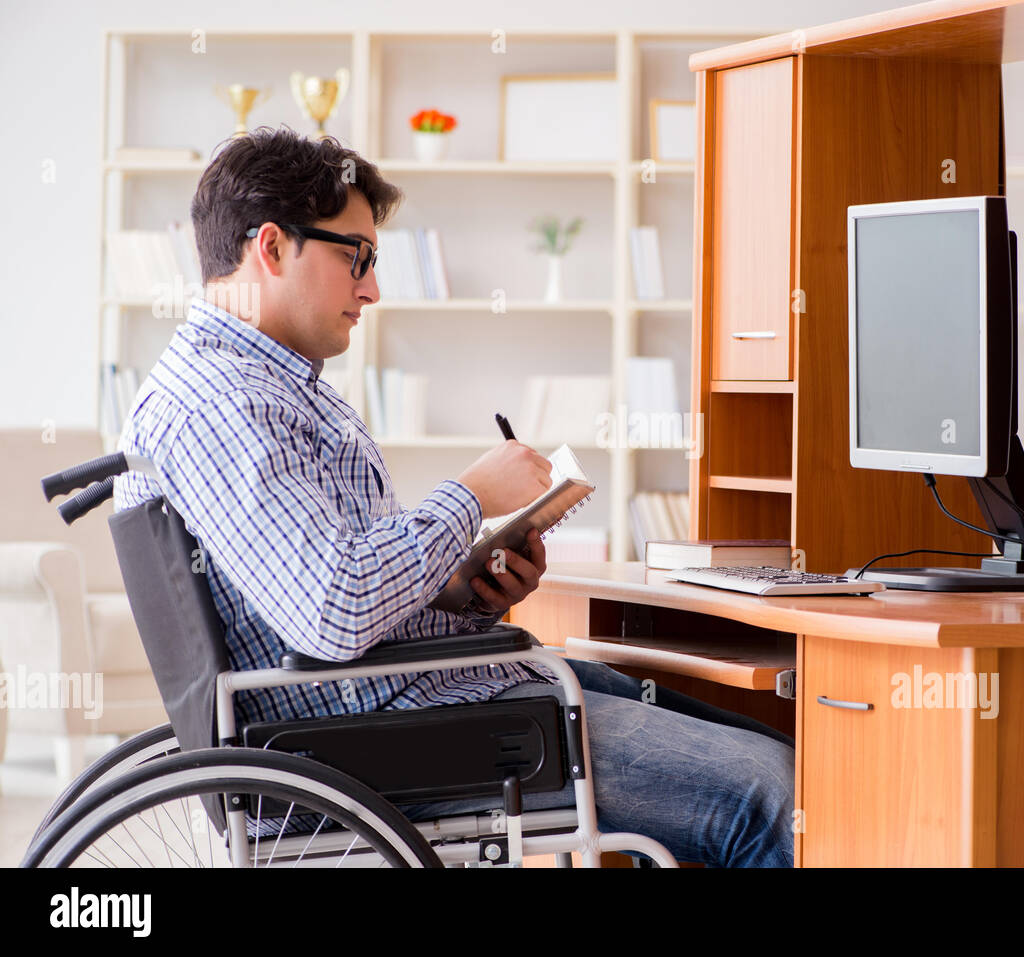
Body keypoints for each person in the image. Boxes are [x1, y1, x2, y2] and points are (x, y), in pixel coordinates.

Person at [114, 125, 794, 867]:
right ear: (271, 248)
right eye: (357, 257)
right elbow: (332, 609)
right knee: (775, 796)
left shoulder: (266, 388)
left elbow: (325, 588)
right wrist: (471, 493)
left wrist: (458, 589)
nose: (372, 288)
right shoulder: (222, 405)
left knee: (764, 738)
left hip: (413, 704)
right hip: (381, 738)